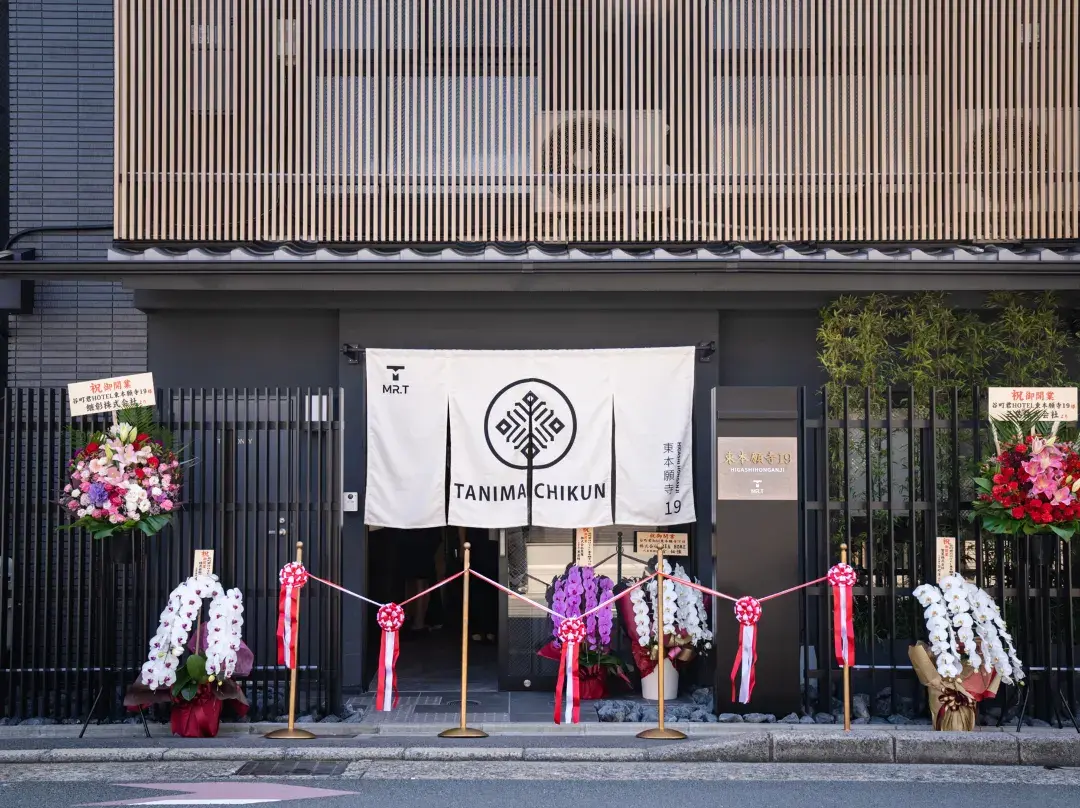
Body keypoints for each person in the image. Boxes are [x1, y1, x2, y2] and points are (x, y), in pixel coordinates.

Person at [397, 527, 443, 632]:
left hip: (419, 534)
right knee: (416, 580)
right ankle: (414, 619)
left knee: (418, 580)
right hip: (419, 534)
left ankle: (416, 621)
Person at [460, 526, 498, 644]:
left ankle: (491, 629)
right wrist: (462, 544)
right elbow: (461, 522)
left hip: (494, 541)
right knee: (476, 586)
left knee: (492, 586)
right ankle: (478, 628)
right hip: (476, 541)